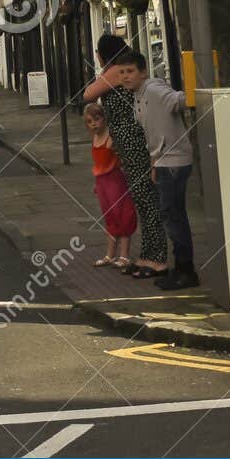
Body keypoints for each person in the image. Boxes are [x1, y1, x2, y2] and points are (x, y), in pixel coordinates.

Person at [82, 34, 167, 278]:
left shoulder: (116, 70)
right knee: (142, 201)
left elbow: (89, 93)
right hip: (127, 146)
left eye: (98, 53)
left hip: (134, 145)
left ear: (104, 54)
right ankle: (147, 256)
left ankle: (156, 258)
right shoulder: (121, 71)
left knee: (146, 201)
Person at [115, 49, 198, 289]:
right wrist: (154, 162)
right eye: (122, 72)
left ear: (142, 72)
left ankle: (186, 271)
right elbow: (153, 133)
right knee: (171, 216)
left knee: (174, 218)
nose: (126, 77)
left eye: (130, 71)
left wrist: (196, 89)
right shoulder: (138, 94)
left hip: (174, 161)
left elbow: (180, 100)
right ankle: (181, 268)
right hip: (163, 161)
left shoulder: (152, 89)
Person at [83, 101, 137, 267]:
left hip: (115, 180)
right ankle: (110, 254)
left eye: (96, 119)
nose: (94, 124)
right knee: (109, 217)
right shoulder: (95, 138)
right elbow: (98, 163)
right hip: (102, 182)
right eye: (90, 122)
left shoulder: (111, 137)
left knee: (122, 215)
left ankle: (124, 255)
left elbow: (123, 158)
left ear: (104, 118)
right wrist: (96, 183)